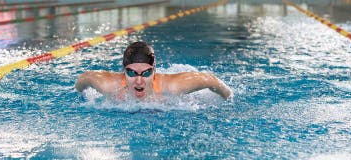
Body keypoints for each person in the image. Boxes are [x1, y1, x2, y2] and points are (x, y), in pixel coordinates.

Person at [75, 41, 233, 101]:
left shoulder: (172, 86)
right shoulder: (109, 85)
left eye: (146, 73)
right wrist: (81, 96)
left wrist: (229, 99)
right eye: (131, 73)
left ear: (154, 71)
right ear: (124, 70)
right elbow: (84, 78)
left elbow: (210, 80)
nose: (139, 80)